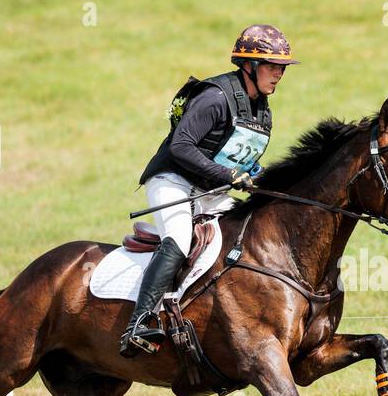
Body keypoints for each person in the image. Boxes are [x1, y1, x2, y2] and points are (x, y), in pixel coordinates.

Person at [119, 24, 299, 357]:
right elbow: (181, 146)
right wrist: (228, 173)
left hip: (211, 191)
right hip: (173, 182)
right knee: (178, 238)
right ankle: (139, 323)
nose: (279, 75)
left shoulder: (261, 108)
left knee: (247, 235)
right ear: (250, 65)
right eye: (273, 67)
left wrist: (253, 174)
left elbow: (235, 154)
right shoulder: (215, 97)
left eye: (282, 68)